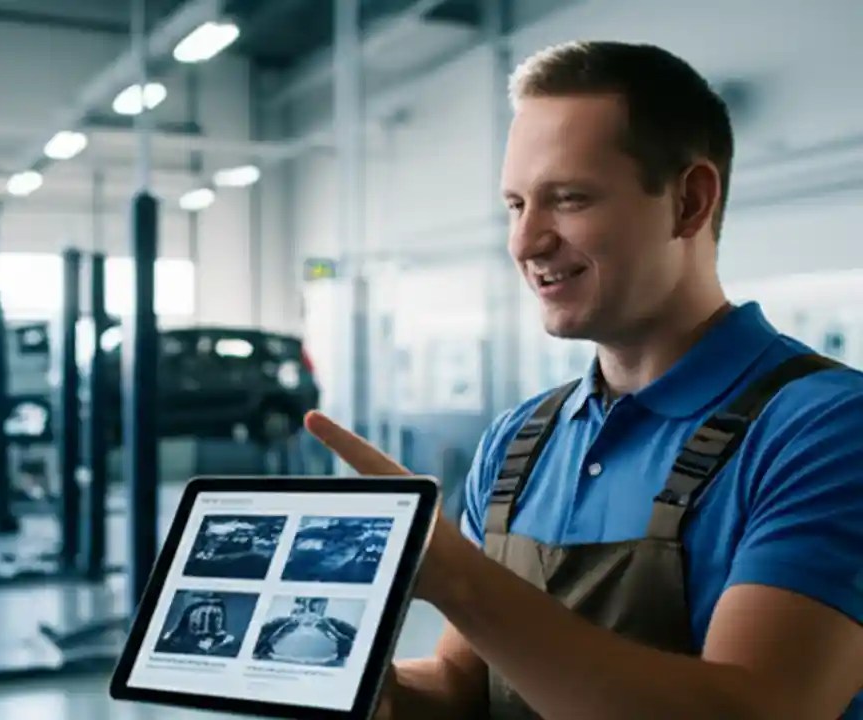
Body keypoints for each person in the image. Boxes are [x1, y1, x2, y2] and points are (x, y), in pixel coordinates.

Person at [306, 41, 863, 720]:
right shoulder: (518, 441)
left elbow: (760, 708)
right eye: (516, 205)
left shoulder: (827, 430)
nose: (526, 242)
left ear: (689, 202)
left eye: (567, 199)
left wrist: (459, 580)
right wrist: (367, 691)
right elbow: (462, 682)